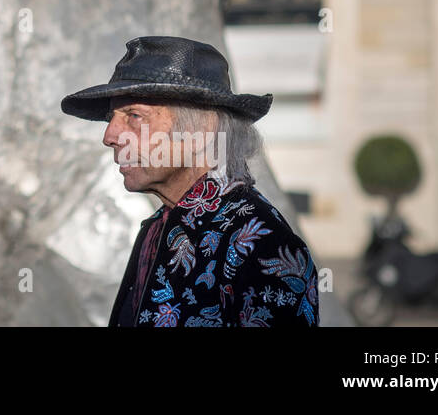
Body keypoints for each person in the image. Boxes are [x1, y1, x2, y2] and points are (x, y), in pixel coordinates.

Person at [62, 36, 320, 327]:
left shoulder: (262, 242)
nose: (109, 136)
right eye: (113, 117)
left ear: (203, 129)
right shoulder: (158, 228)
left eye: (134, 116)